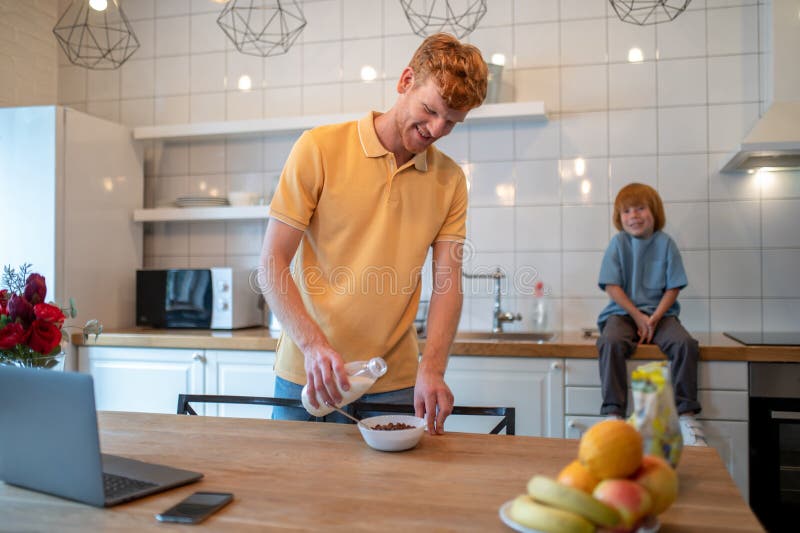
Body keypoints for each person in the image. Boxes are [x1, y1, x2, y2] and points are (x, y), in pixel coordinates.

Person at [258, 33, 488, 434]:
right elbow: (272, 261)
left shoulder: (450, 181)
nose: (436, 128)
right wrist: (312, 346)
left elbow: (448, 283)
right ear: (405, 82)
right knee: (295, 494)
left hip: (392, 381)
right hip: (308, 374)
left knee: (392, 497)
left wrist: (432, 369)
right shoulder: (319, 148)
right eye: (430, 110)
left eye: (451, 122)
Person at [596, 183, 706, 446]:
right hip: (623, 314)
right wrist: (637, 317)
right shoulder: (618, 243)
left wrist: (654, 318)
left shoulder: (665, 244)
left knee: (684, 344)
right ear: (619, 218)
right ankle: (614, 415)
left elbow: (673, 286)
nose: (633, 216)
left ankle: (687, 416)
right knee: (609, 342)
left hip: (661, 315)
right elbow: (612, 286)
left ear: (654, 211)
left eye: (640, 208)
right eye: (626, 211)